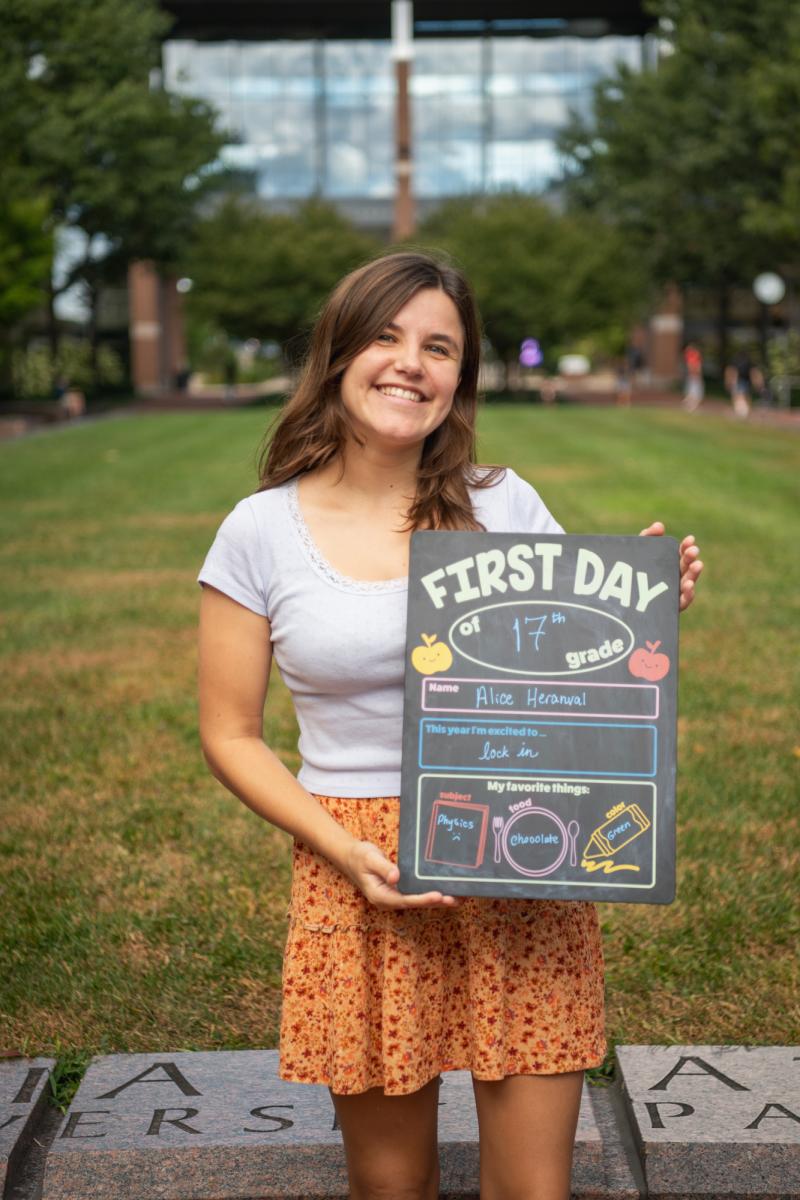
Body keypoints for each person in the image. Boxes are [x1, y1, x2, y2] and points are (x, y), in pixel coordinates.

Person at [197, 251, 703, 1200]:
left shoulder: (501, 504)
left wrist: (646, 602)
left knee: (532, 1191)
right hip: (359, 865)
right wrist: (341, 851)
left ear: (459, 381)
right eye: (387, 337)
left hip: (520, 855)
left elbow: (586, 659)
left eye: (439, 347)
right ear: (340, 354)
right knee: (391, 1188)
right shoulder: (259, 530)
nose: (410, 363)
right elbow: (230, 733)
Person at [682, 343, 704, 412]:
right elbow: (693, 366)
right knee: (694, 392)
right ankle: (691, 406)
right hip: (693, 376)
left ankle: (691, 405)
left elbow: (694, 366)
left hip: (693, 376)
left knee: (694, 392)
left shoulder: (692, 355)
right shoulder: (692, 355)